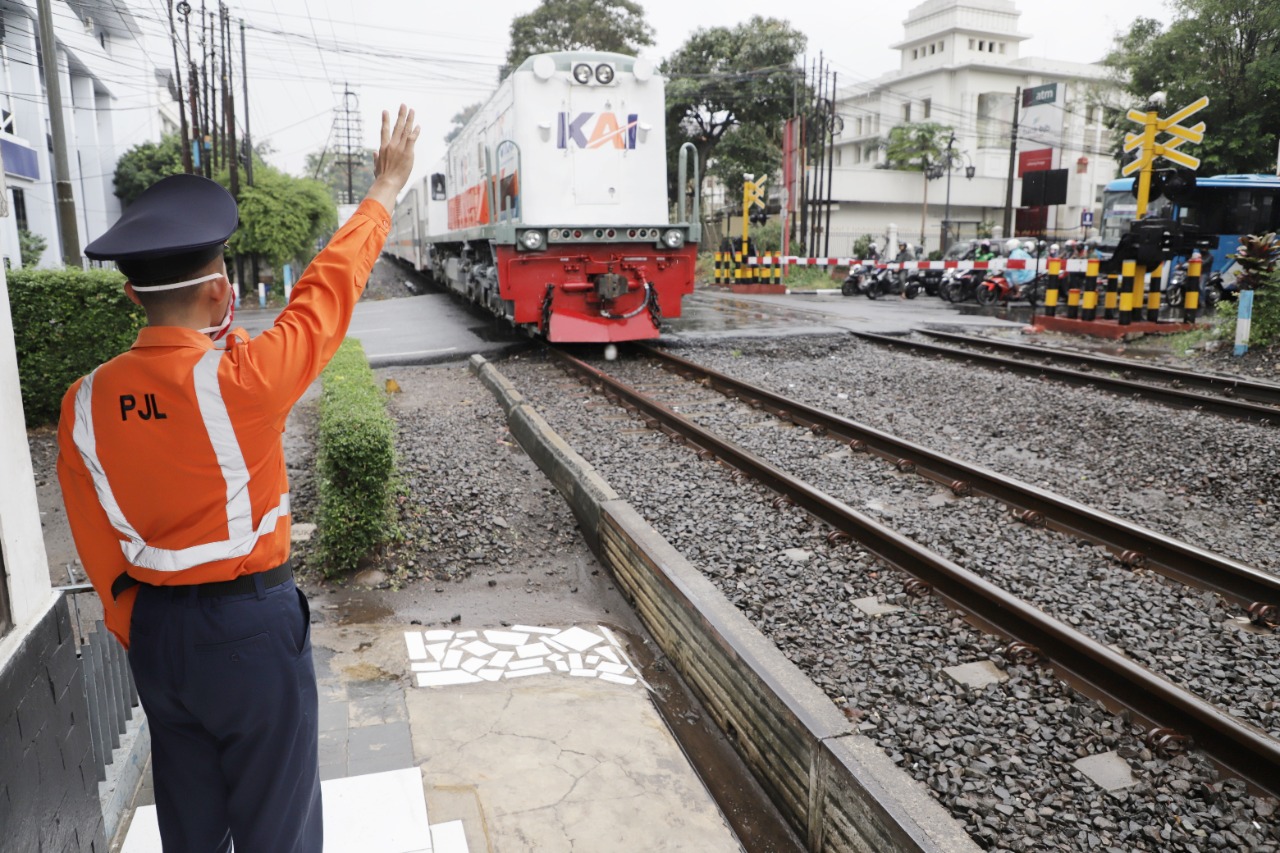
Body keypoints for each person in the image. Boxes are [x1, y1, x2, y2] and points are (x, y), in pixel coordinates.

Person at [56, 106, 420, 853]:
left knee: (190, 826)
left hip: (158, 632)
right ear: (222, 292)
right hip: (250, 631)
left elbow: (92, 534)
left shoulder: (84, 401)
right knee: (276, 828)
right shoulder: (243, 380)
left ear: (132, 295)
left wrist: (136, 622)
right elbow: (327, 292)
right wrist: (382, 188)